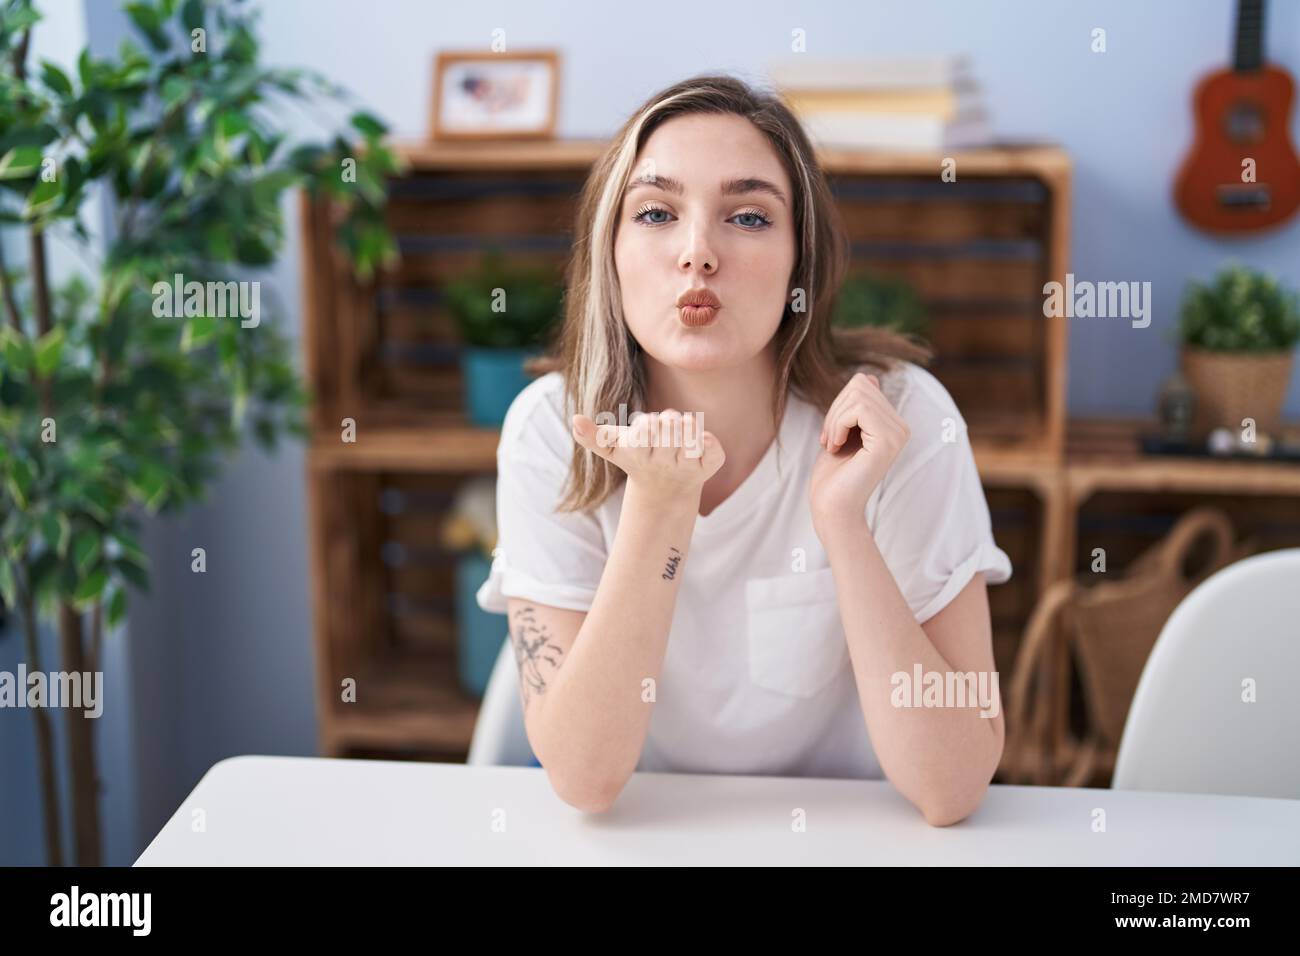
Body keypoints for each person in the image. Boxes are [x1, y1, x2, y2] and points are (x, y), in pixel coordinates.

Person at [476, 74, 1012, 826]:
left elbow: (952, 786)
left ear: (802, 259)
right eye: (657, 212)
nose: (698, 254)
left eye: (750, 217)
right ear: (611, 251)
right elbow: (586, 779)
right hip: (654, 838)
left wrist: (842, 524)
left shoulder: (906, 419)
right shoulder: (549, 430)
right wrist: (662, 504)